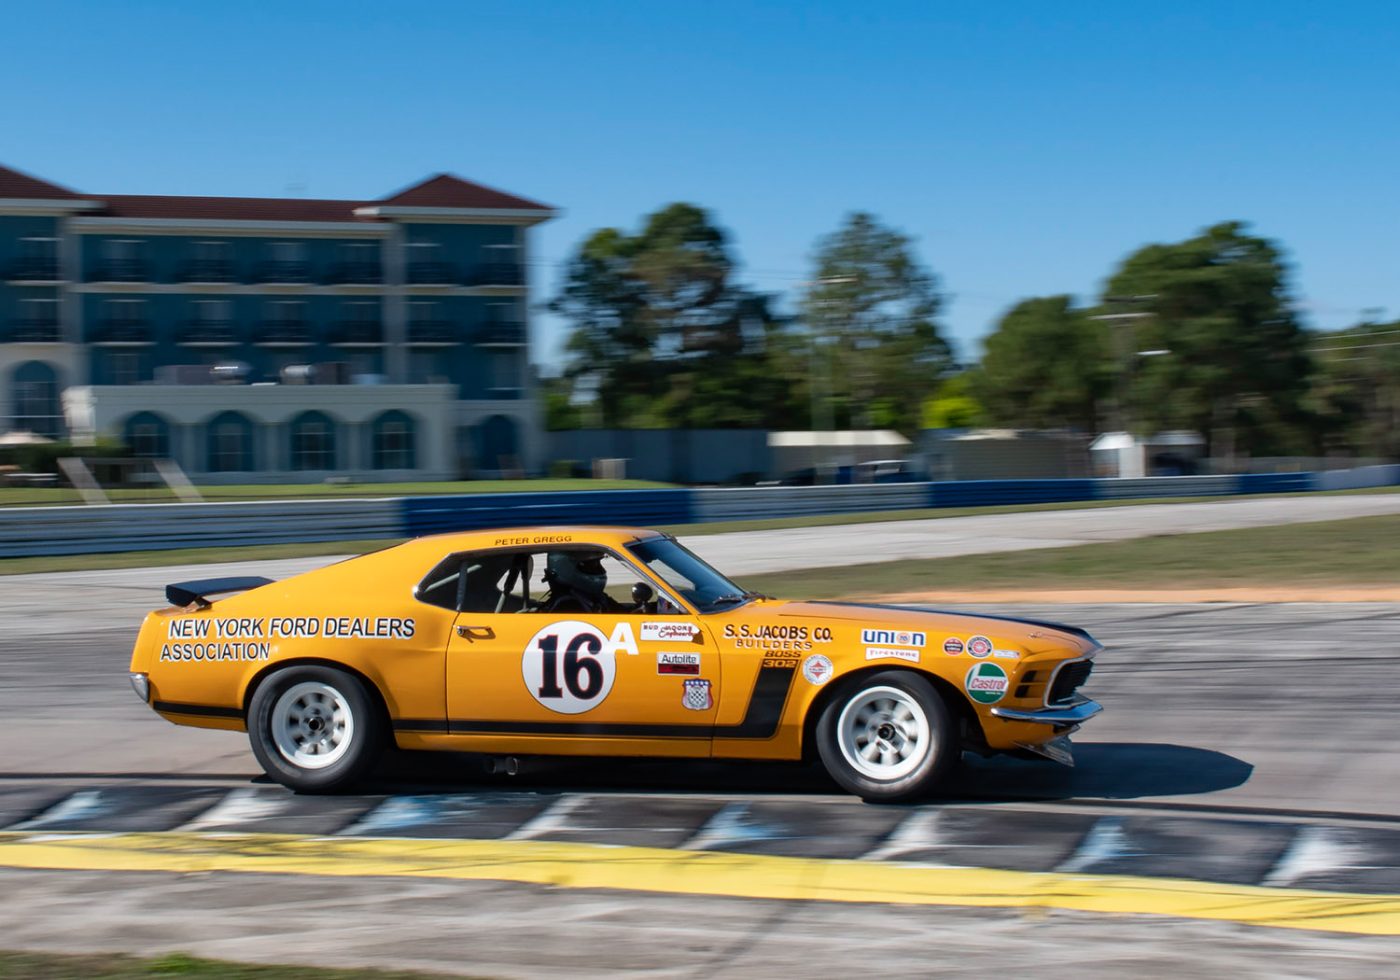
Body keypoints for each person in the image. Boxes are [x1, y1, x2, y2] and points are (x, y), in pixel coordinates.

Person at [541, 550, 625, 613]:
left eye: (598, 564)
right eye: (592, 565)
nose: (601, 570)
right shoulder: (567, 606)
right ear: (566, 569)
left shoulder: (596, 598)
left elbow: (624, 613)